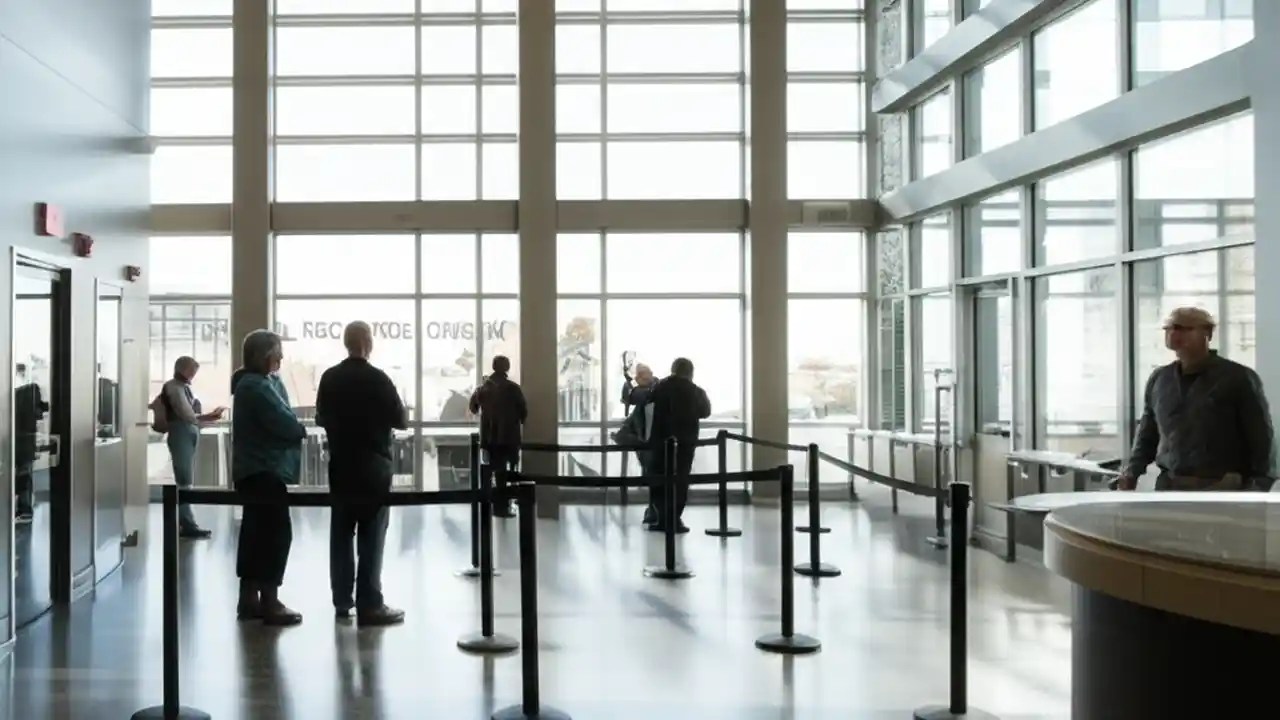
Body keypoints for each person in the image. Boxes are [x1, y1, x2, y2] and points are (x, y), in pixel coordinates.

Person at [1119, 307, 1274, 492]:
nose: (1174, 334)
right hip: (1170, 485)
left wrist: (1258, 485)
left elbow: (1261, 438)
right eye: (1169, 328)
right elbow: (1147, 433)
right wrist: (1132, 472)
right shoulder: (1160, 379)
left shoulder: (1238, 377)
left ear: (1207, 333)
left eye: (1183, 328)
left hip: (1222, 487)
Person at [315, 322, 407, 626]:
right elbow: (401, 420)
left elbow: (320, 416)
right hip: (374, 467)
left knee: (340, 533)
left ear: (345, 343)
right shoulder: (379, 379)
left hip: (341, 464)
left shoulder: (330, 378)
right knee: (372, 535)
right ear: (367, 342)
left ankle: (342, 600)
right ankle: (370, 603)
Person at [232, 330, 307, 626]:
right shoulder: (256, 387)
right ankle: (270, 601)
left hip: (254, 470)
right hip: (264, 470)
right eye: (277, 353)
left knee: (254, 534)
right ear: (264, 356)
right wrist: (298, 429)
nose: (281, 358)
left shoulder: (255, 384)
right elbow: (285, 421)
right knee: (275, 535)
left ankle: (249, 598)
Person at [161, 356, 226, 539]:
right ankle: (187, 524)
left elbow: (190, 415)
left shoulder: (184, 388)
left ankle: (187, 522)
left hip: (188, 433)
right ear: (182, 369)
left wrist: (206, 417)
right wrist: (206, 417)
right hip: (181, 433)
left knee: (186, 478)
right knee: (184, 480)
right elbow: (186, 413)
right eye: (191, 371)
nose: (193, 375)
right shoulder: (174, 387)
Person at [647, 358, 711, 532]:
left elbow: (646, 403)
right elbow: (705, 411)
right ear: (690, 372)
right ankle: (674, 518)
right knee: (681, 480)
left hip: (660, 442)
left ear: (673, 369)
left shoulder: (660, 387)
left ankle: (661, 518)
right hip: (685, 442)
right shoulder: (696, 391)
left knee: (659, 478)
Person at [469, 356, 527, 517]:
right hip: (509, 436)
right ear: (506, 368)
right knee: (509, 471)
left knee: (493, 471)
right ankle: (504, 506)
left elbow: (473, 408)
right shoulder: (513, 388)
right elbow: (523, 412)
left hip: (489, 438)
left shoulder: (482, 389)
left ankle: (494, 504)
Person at [617, 363, 661, 526]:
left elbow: (636, 396)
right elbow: (628, 398)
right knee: (652, 478)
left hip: (658, 443)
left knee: (657, 479)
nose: (640, 378)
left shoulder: (657, 389)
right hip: (647, 443)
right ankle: (653, 510)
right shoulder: (642, 395)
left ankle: (656, 511)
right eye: (638, 376)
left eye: (643, 374)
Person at [14, 363, 48, 524]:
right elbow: (40, 413)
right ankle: (24, 508)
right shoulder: (31, 390)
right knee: (24, 475)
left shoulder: (20, 390)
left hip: (18, 438)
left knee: (22, 475)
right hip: (26, 439)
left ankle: (24, 508)